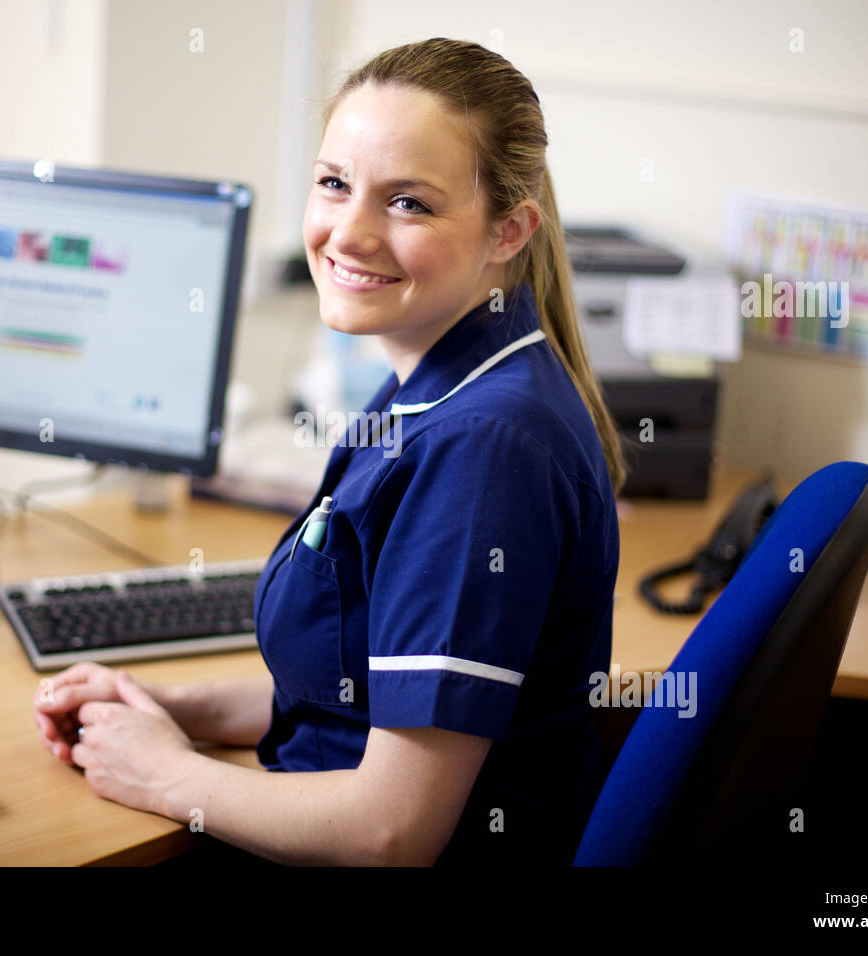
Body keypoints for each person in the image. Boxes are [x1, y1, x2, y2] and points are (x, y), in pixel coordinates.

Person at [33, 36, 626, 866]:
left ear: (508, 231)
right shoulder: (437, 379)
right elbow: (362, 693)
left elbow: (390, 833)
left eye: (409, 203)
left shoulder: (480, 449)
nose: (349, 234)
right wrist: (168, 706)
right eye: (334, 184)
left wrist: (167, 775)